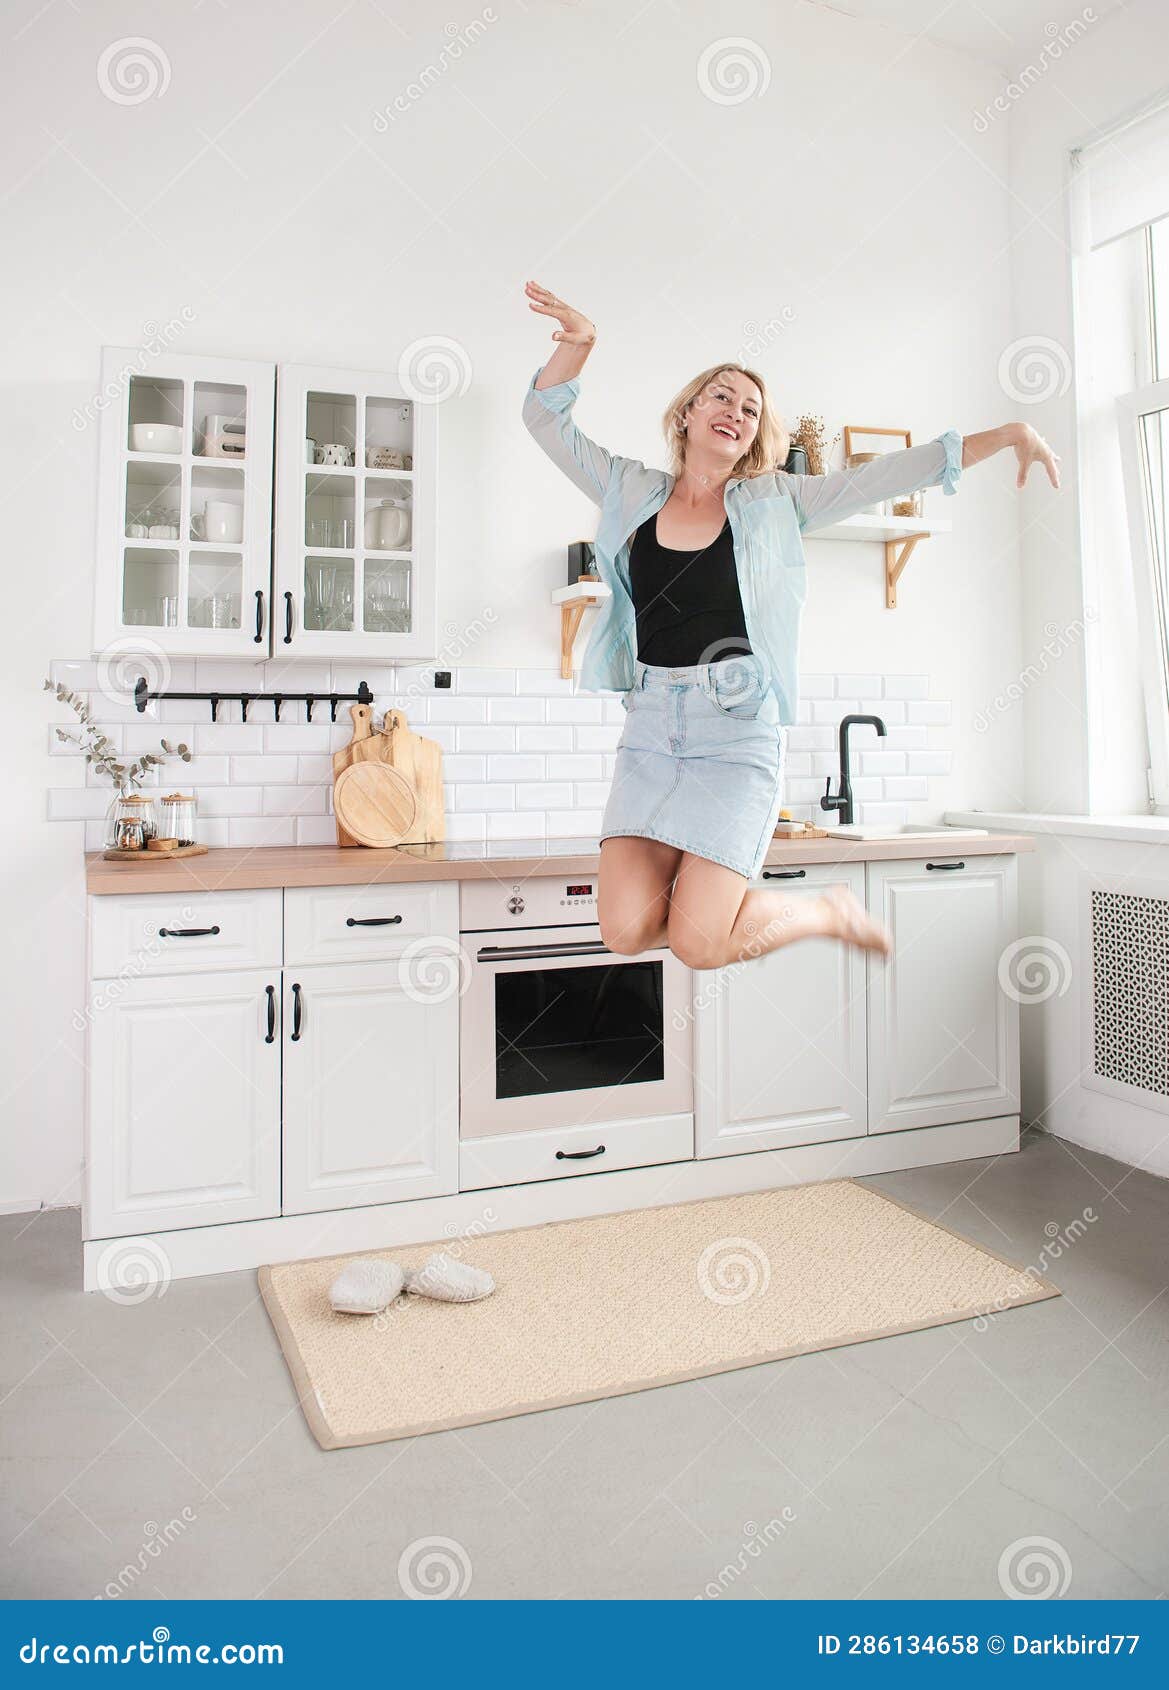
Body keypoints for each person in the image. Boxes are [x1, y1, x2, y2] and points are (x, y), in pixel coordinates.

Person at [522, 280, 1060, 971]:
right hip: (651, 729)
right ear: (687, 412)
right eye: (721, 397)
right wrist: (580, 344)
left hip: (735, 729)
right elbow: (547, 422)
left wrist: (1010, 434)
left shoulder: (777, 501)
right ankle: (753, 909)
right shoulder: (627, 487)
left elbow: (888, 475)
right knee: (624, 930)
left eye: (750, 409)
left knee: (698, 944)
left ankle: (822, 912)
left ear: (755, 433)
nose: (735, 412)